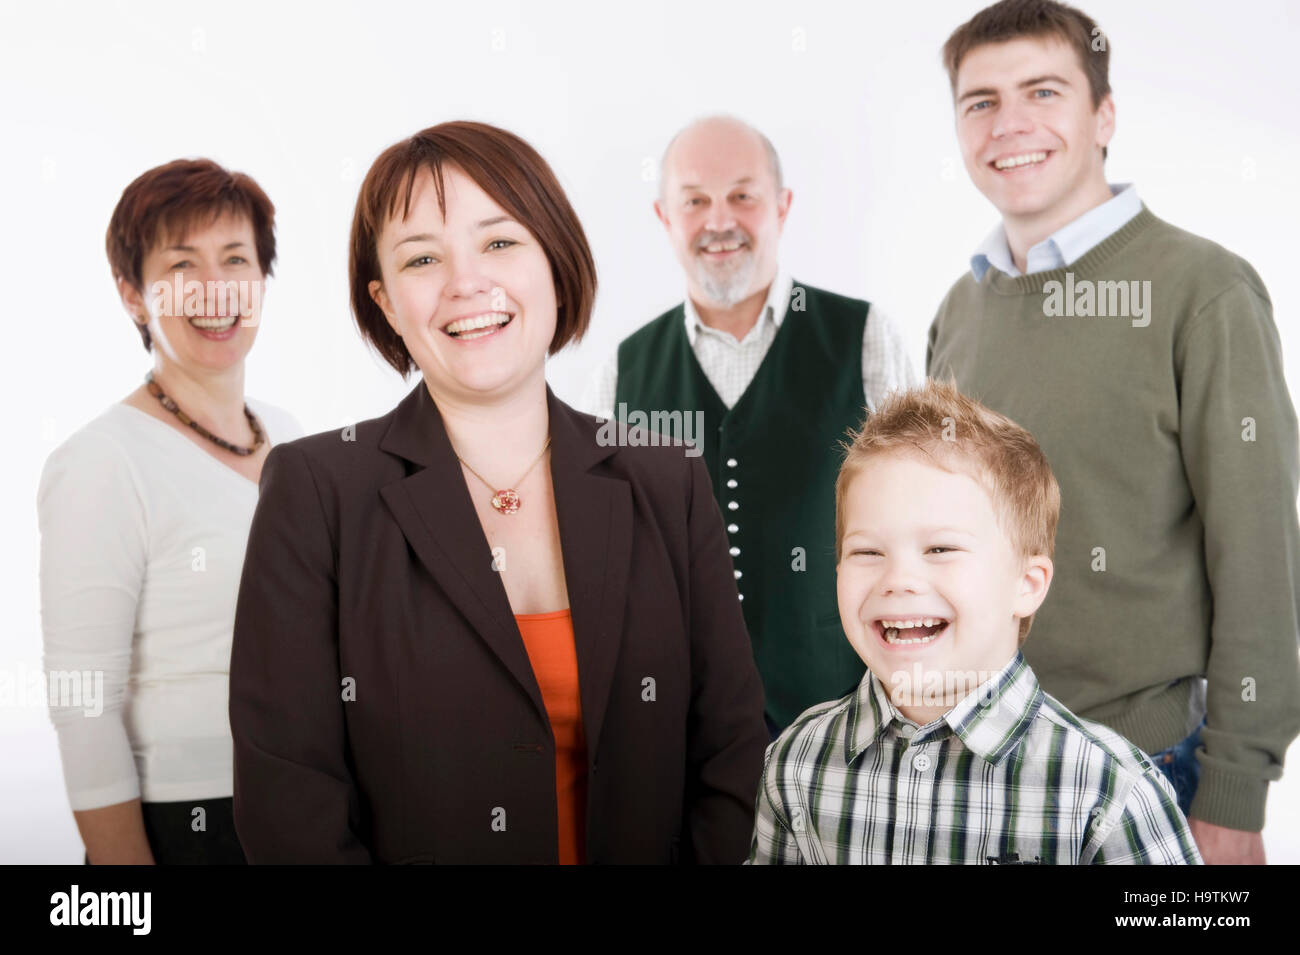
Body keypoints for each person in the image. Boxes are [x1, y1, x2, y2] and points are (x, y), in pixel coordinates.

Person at [228, 121, 768, 865]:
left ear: (554, 259)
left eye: (499, 242)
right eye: (422, 258)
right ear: (385, 302)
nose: (465, 283)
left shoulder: (667, 479)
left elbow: (731, 749)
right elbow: (289, 804)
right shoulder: (317, 492)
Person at [926, 0, 1300, 864]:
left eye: (1042, 91)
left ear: (1104, 116)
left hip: (1145, 771)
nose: (1008, 124)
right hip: (973, 768)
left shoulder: (1204, 291)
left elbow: (1259, 556)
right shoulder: (960, 307)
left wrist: (1235, 795)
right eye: (980, 101)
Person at [747, 381, 1201, 864]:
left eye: (940, 549)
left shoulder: (1108, 794)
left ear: (1026, 584)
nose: (898, 580)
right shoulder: (794, 762)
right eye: (867, 551)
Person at [584, 115, 918, 738]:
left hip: (847, 723)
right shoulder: (623, 369)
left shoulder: (864, 337)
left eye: (743, 195)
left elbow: (924, 524)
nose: (719, 220)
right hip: (680, 735)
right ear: (664, 216)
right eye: (695, 201)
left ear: (782, 207)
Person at [37, 158, 302, 864]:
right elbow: (84, 701)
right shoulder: (103, 461)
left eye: (236, 259)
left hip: (310, 808)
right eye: (183, 264)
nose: (216, 291)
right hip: (187, 822)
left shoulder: (298, 440)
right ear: (132, 294)